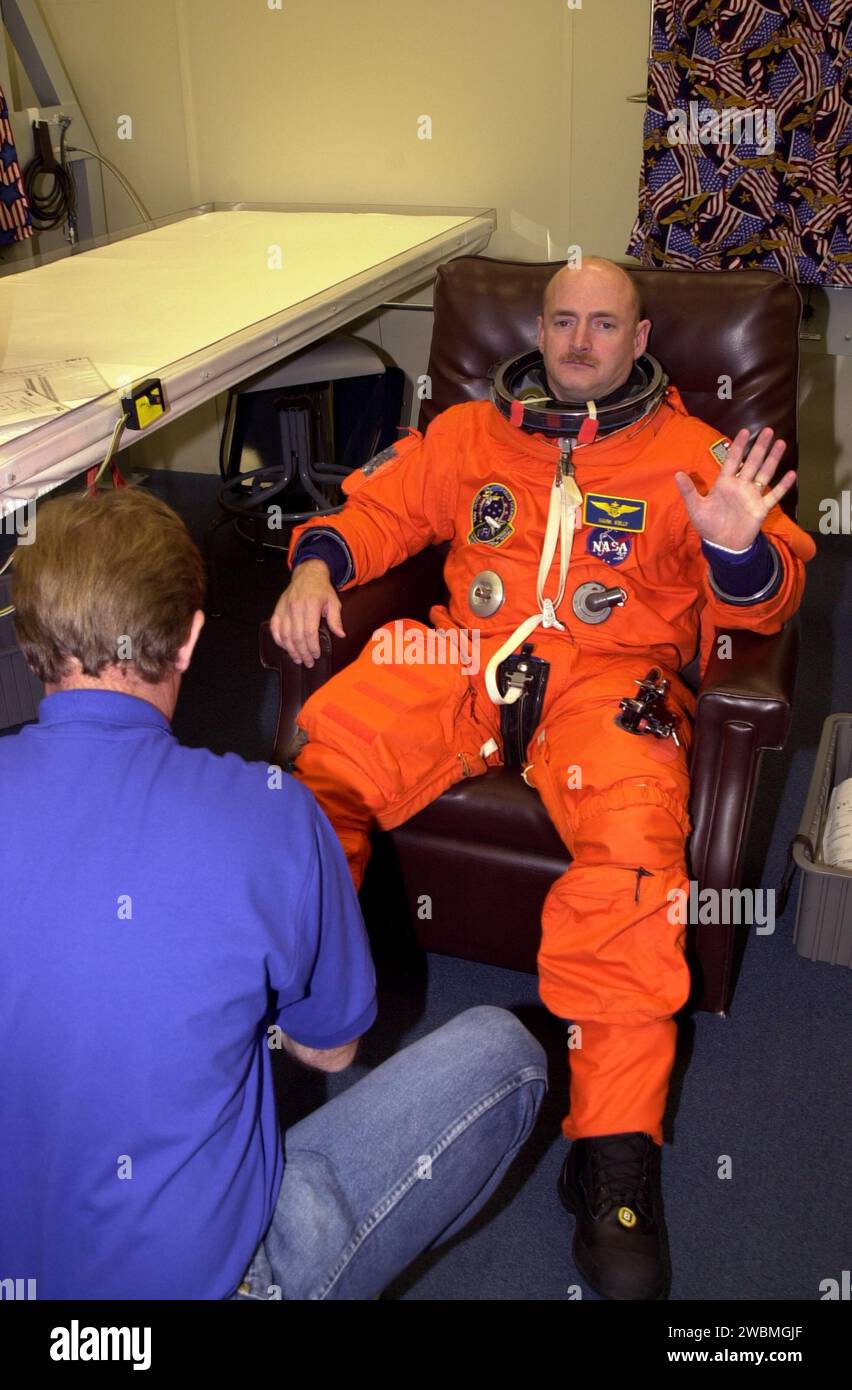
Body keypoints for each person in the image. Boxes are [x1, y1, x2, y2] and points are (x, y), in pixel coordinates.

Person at [270, 257, 816, 1301]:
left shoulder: (695, 459)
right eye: (563, 320)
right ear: (540, 327)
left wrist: (736, 551)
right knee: (316, 782)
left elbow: (769, 593)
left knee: (626, 875)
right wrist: (316, 563)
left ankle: (614, 1156)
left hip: (611, 681)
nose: (578, 341)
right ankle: (290, 1032)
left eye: (602, 324)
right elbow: (380, 509)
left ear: (642, 340)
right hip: (462, 657)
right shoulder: (473, 434)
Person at [0, 487, 546, 1301]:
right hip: (207, 1286)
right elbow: (329, 1049)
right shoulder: (271, 809)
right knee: (511, 1054)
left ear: (25, 634)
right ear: (188, 640)